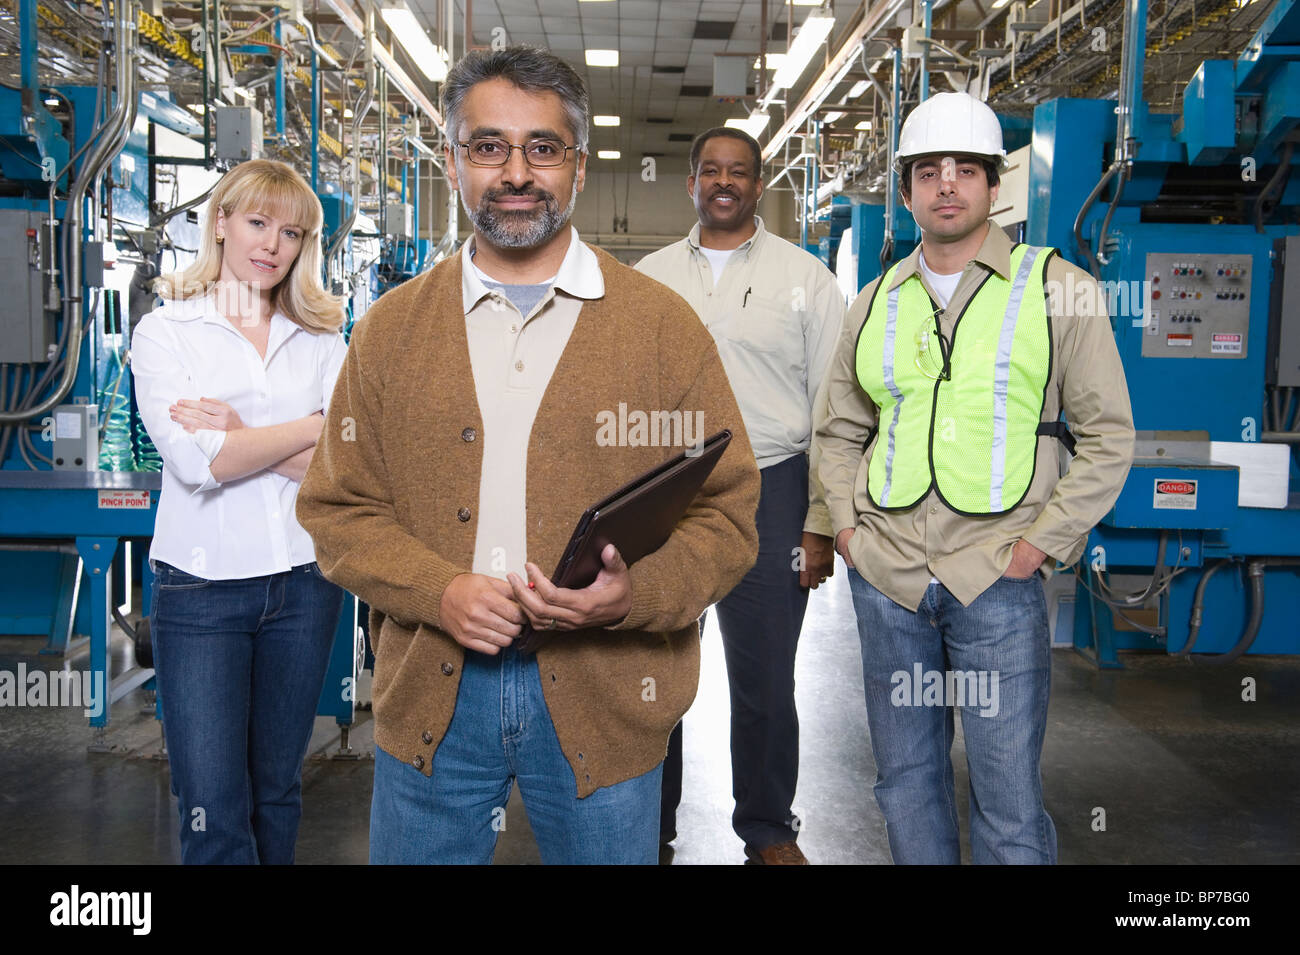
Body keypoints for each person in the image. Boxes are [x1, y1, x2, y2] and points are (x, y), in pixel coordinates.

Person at [296, 45, 760, 866]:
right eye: (488, 147)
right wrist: (439, 590)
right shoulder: (390, 333)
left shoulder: (661, 328)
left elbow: (726, 511)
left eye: (542, 148)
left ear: (577, 167)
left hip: (605, 697)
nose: (516, 172)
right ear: (452, 161)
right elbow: (337, 509)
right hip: (433, 693)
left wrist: (633, 594)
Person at [813, 92, 1135, 864]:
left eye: (966, 169)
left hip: (998, 576)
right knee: (904, 780)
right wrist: (850, 533)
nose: (947, 184)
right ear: (907, 190)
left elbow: (1109, 438)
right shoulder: (874, 302)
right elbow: (837, 429)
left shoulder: (1061, 289)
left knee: (1008, 796)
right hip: (888, 579)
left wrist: (1042, 546)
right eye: (928, 170)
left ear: (996, 186)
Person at [635, 127, 844, 865]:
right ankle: (647, 821)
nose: (724, 182)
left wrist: (820, 521)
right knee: (654, 666)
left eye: (740, 172)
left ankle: (768, 828)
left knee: (765, 674)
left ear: (760, 186)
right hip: (668, 486)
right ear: (691, 182)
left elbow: (833, 409)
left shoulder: (807, 278)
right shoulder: (649, 277)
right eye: (710, 171)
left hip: (773, 485)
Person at [131, 159, 348, 864]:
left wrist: (239, 432)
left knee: (277, 791)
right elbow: (200, 464)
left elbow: (350, 470)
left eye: (291, 232)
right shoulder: (167, 332)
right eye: (257, 222)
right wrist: (309, 425)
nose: (272, 244)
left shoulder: (320, 338)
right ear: (220, 221)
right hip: (200, 593)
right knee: (213, 806)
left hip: (304, 584)